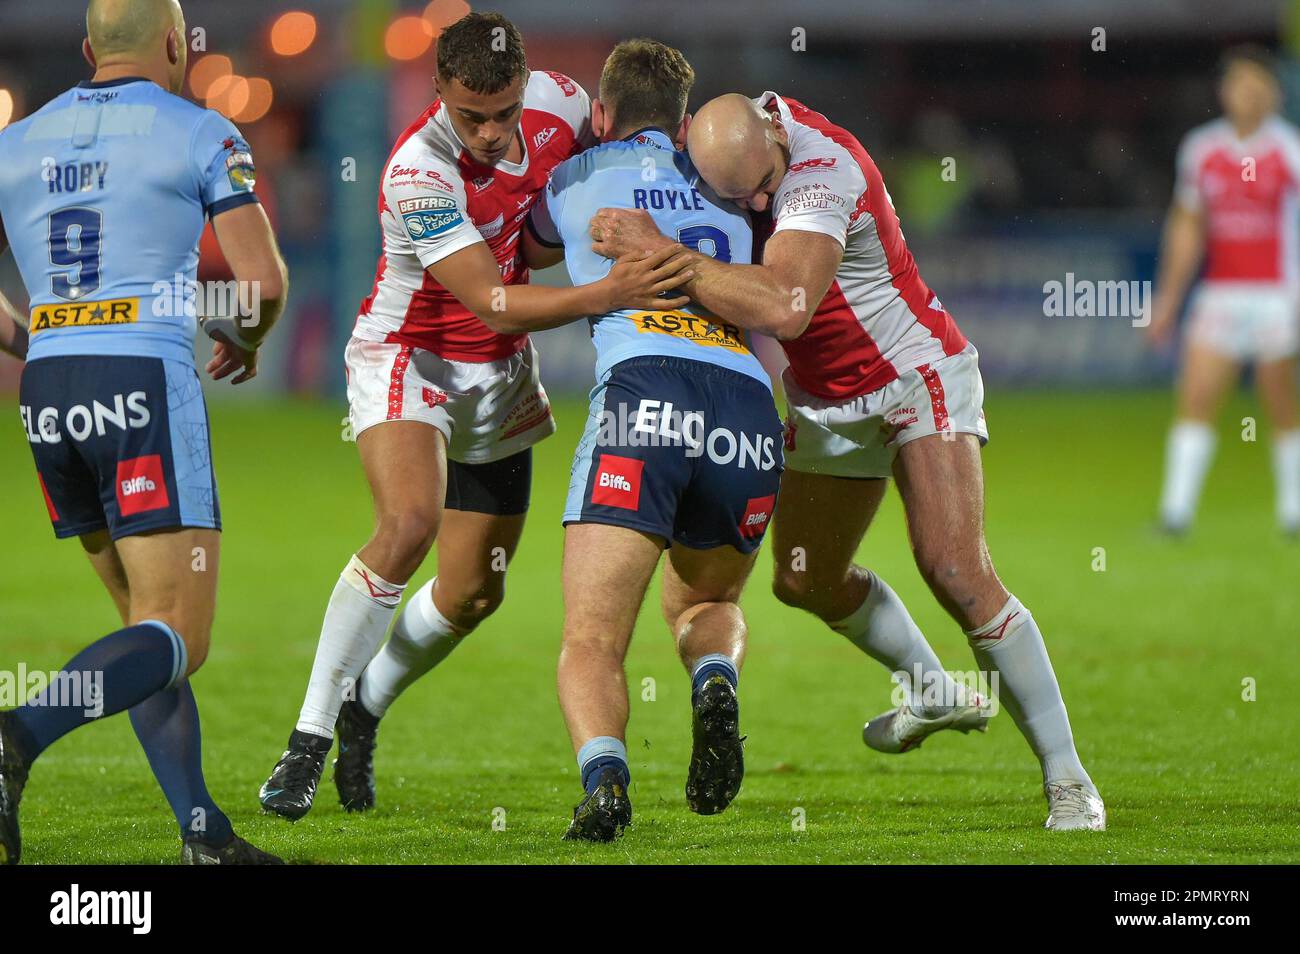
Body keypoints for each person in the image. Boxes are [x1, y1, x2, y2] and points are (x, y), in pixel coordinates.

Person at [589, 91, 1106, 830]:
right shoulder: (724, 152)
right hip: (826, 399)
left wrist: (658, 253)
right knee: (803, 578)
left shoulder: (823, 167)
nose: (762, 199)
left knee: (955, 567)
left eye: (764, 182)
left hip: (911, 374)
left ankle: (1069, 778)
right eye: (743, 196)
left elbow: (786, 306)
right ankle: (930, 688)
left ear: (775, 135)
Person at [259, 12, 691, 820]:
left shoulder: (564, 106)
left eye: (502, 112)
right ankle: (308, 738)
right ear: (438, 95)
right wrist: (609, 291)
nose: (490, 133)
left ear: (525, 87)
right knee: (408, 523)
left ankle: (366, 707)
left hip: (498, 376)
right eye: (471, 116)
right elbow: (493, 301)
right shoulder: (417, 171)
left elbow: (558, 223)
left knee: (471, 596)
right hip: (410, 352)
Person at [0, 0, 288, 864]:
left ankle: (203, 833)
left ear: (89, 50)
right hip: (141, 380)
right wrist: (246, 337)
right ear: (175, 45)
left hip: (50, 389)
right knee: (178, 635)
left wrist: (37, 337)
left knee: (144, 631)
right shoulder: (201, 131)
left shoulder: (16, 143)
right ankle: (16, 733)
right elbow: (262, 281)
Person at [510, 39, 782, 840]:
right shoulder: (728, 185)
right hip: (745, 405)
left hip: (644, 395)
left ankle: (606, 785)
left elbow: (520, 252)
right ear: (688, 123)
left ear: (601, 114)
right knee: (707, 601)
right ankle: (714, 679)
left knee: (592, 638)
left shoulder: (575, 178)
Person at [1148, 45, 1300, 536]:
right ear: (1224, 92)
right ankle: (1175, 514)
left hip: (1278, 295)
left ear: (1273, 94)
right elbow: (1188, 226)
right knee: (1196, 396)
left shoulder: (1289, 151)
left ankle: (1292, 513)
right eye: (1238, 84)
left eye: (1257, 85)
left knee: (1281, 400)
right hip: (1221, 295)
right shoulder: (1203, 149)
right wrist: (1168, 299)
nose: (1247, 94)